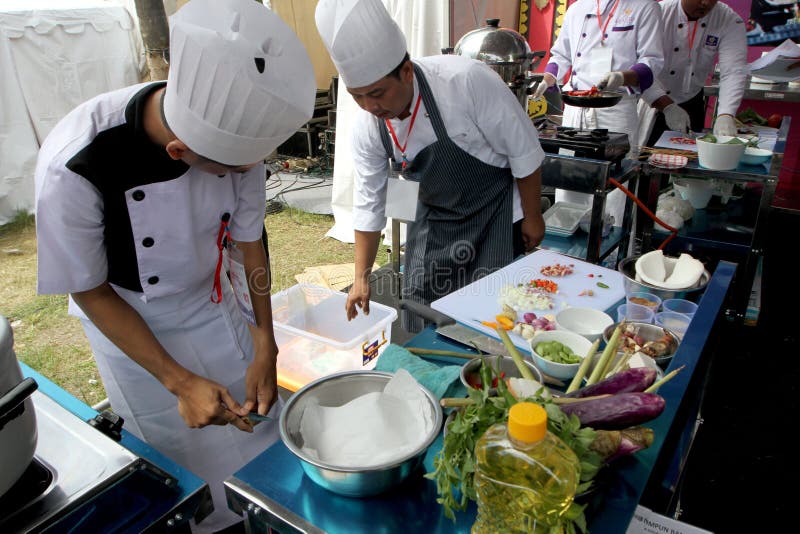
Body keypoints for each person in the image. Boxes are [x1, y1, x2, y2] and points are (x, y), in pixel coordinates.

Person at [33, 0, 315, 531]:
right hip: (134, 322)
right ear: (181, 150)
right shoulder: (74, 162)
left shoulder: (239, 145)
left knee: (261, 434)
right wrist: (179, 382)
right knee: (186, 464)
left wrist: (264, 337)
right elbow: (90, 292)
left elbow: (250, 242)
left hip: (213, 302)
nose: (244, 176)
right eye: (231, 170)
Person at [315, 0, 547, 332]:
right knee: (422, 307)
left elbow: (524, 150)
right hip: (433, 217)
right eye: (357, 96)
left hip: (491, 215)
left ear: (406, 71)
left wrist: (533, 216)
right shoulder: (368, 126)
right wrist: (360, 278)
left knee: (491, 316)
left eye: (377, 93)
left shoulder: (465, 81)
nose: (369, 106)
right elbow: (369, 202)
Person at [532, 0, 665, 225]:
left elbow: (652, 61)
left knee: (614, 188)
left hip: (615, 108)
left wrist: (623, 76)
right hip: (575, 108)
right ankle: (568, 249)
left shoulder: (645, 7)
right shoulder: (577, 9)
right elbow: (560, 56)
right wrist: (548, 79)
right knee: (569, 181)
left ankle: (610, 255)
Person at [640, 0, 748, 145]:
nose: (705, 3)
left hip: (692, 99)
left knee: (688, 155)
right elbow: (639, 64)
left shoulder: (728, 19)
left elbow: (733, 71)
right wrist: (666, 106)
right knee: (643, 156)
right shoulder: (658, 13)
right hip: (651, 98)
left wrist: (726, 114)